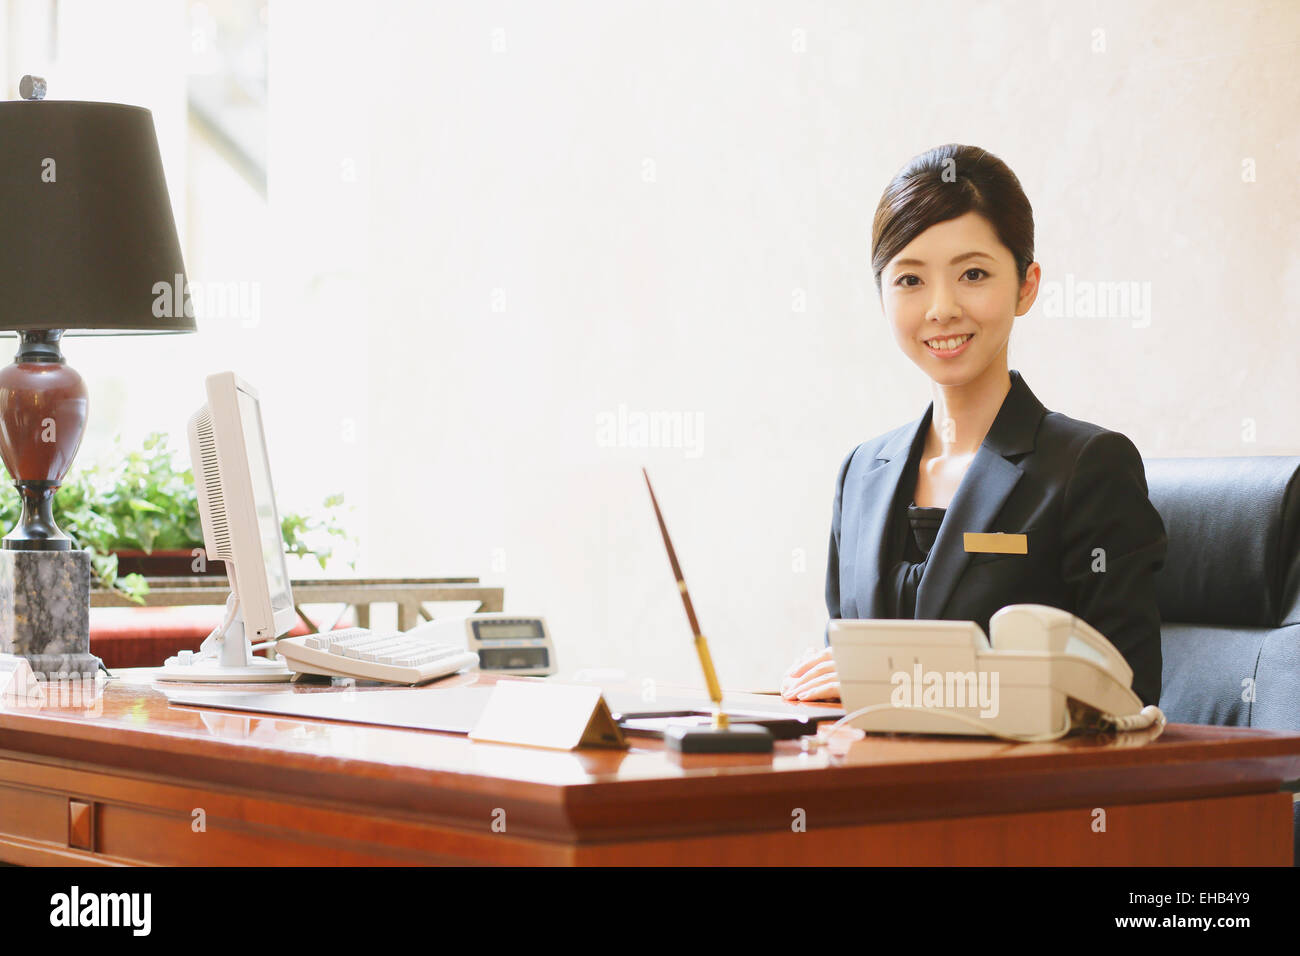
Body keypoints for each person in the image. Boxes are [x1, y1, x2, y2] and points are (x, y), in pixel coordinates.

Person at [782, 144, 1167, 707]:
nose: (941, 307)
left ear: (1026, 286)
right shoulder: (861, 473)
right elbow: (843, 690)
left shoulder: (1088, 467)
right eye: (910, 280)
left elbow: (1122, 696)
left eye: (973, 274)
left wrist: (905, 684)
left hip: (1021, 795)